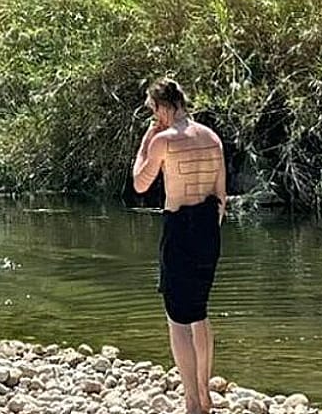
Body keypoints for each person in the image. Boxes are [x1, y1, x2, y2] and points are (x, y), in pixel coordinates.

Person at [133, 77, 226, 414]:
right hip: (208, 229)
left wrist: (146, 142)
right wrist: (208, 233)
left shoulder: (164, 141)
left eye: (151, 109)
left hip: (180, 227)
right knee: (199, 313)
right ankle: (205, 391)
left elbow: (140, 184)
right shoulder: (212, 139)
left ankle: (191, 401)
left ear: (161, 107)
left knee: (177, 318)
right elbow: (221, 196)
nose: (151, 116)